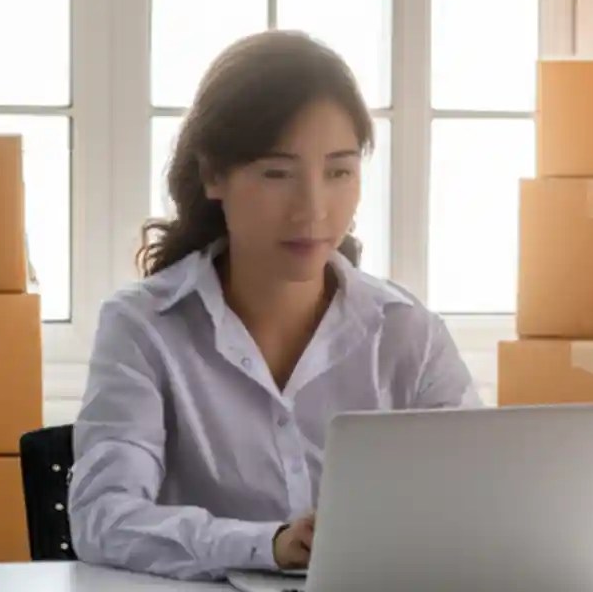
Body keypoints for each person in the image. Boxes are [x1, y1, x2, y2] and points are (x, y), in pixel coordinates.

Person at [68, 31, 481, 581]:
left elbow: (482, 500)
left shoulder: (408, 331)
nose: (313, 209)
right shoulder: (143, 327)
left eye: (339, 172)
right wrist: (267, 544)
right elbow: (102, 517)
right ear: (213, 175)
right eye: (277, 174)